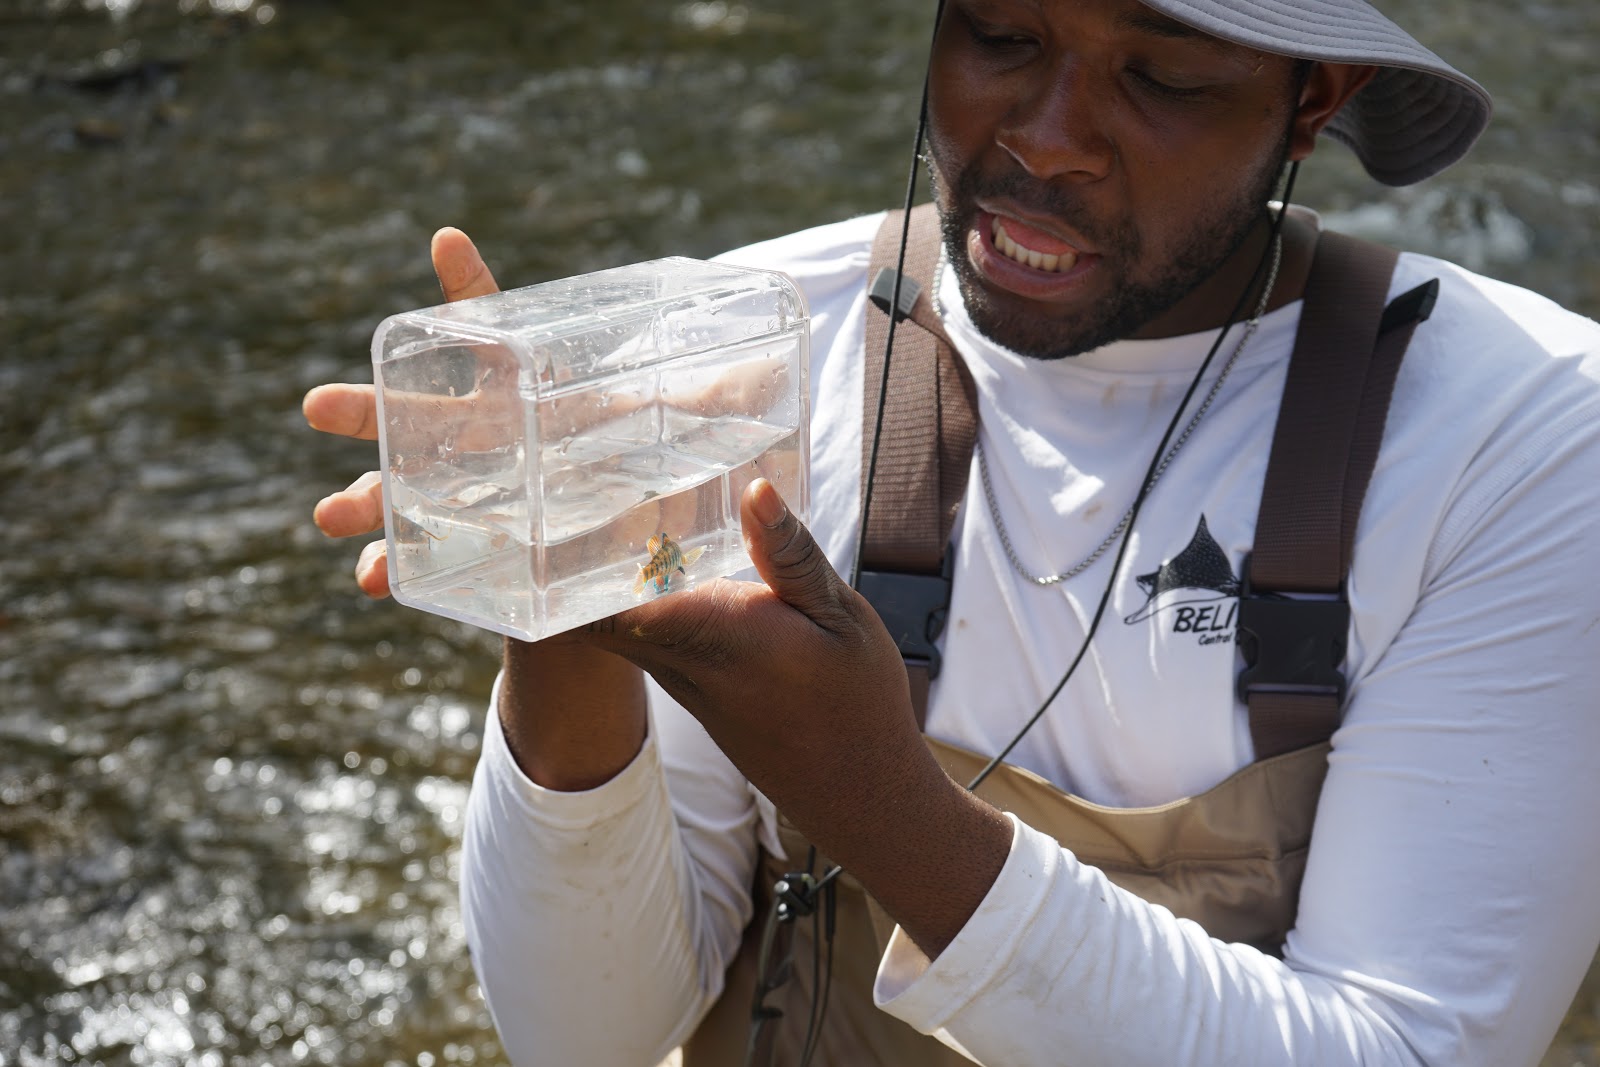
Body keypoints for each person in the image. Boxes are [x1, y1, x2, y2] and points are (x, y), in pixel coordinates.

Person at [304, 0, 1600, 1063]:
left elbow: (1415, 1050)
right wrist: (572, 607)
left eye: (1159, 75)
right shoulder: (736, 357)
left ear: (1311, 98)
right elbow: (586, 1042)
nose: (1045, 141)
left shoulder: (1523, 441)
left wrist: (877, 803)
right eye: (1000, 34)